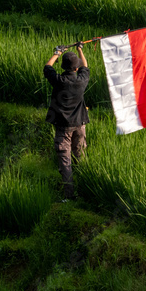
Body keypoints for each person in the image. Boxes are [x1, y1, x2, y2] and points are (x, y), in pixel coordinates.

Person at [44, 42, 90, 199]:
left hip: (63, 127)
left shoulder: (58, 81)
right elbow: (86, 67)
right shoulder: (81, 80)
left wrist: (57, 52)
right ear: (76, 69)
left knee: (65, 160)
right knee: (81, 155)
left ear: (63, 67)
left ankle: (69, 196)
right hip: (80, 125)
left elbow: (47, 67)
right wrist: (80, 50)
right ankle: (87, 188)